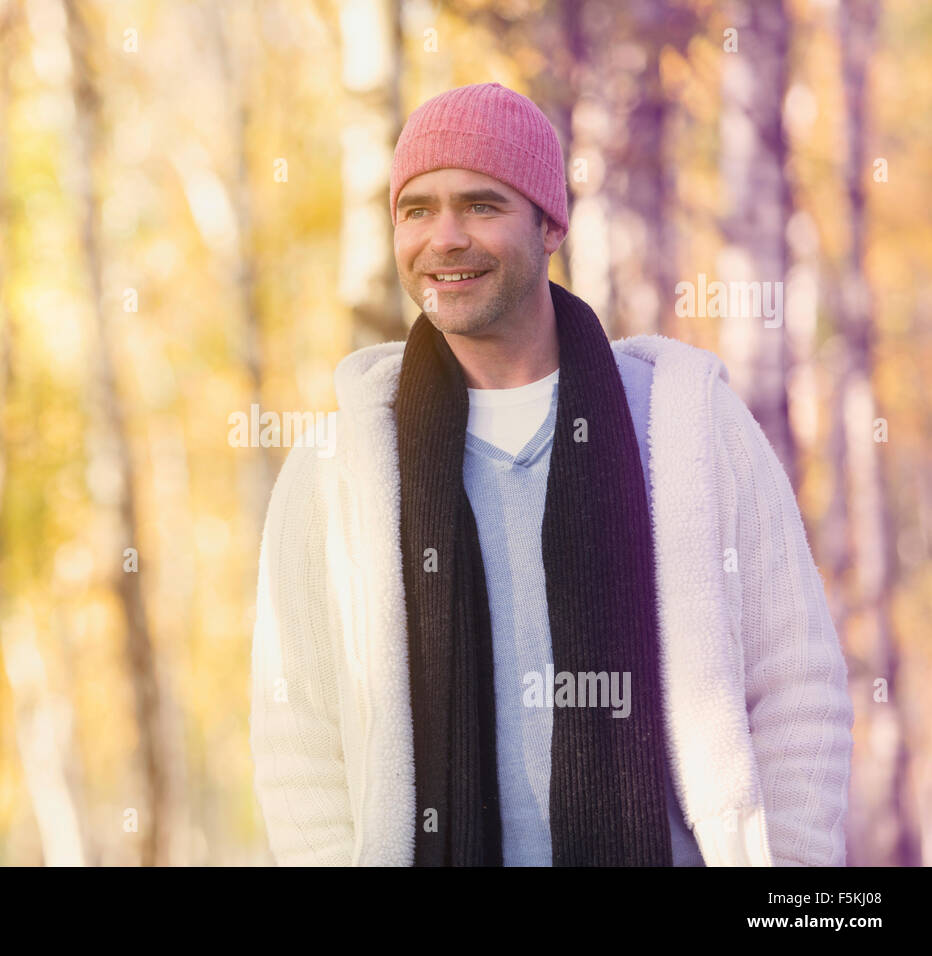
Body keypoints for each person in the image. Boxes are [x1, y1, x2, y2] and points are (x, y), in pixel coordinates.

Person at [248, 82, 853, 866]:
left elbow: (798, 690)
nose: (445, 239)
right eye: (417, 210)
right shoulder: (338, 470)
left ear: (550, 223)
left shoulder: (689, 430)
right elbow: (298, 745)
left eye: (482, 205)